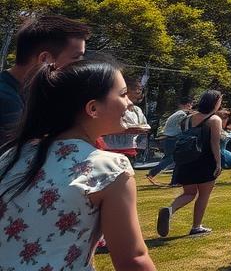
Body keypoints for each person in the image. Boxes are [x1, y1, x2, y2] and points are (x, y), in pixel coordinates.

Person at [0, 61, 155, 271]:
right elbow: (133, 259)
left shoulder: (11, 156)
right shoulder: (109, 168)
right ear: (93, 108)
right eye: (122, 94)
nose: (129, 103)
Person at [0, 14, 90, 148]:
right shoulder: (6, 98)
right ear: (45, 59)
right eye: (76, 57)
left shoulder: (36, 92)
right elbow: (26, 151)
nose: (81, 65)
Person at [157, 89, 224, 237]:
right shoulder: (214, 120)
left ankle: (170, 209)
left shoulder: (187, 119)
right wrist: (218, 163)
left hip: (186, 160)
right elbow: (215, 143)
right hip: (205, 160)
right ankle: (196, 226)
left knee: (189, 193)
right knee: (203, 195)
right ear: (215, 101)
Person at [146, 98, 194, 186]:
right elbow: (184, 126)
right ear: (184, 105)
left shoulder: (177, 113)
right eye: (189, 105)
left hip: (169, 138)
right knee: (172, 159)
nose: (190, 107)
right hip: (174, 138)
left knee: (169, 158)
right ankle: (171, 180)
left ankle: (154, 174)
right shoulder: (182, 114)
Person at [103, 79, 151, 163]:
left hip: (130, 148)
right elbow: (104, 129)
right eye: (134, 89)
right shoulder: (113, 107)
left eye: (140, 89)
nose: (138, 91)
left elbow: (144, 125)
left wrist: (143, 129)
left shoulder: (137, 110)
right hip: (112, 149)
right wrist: (127, 130)